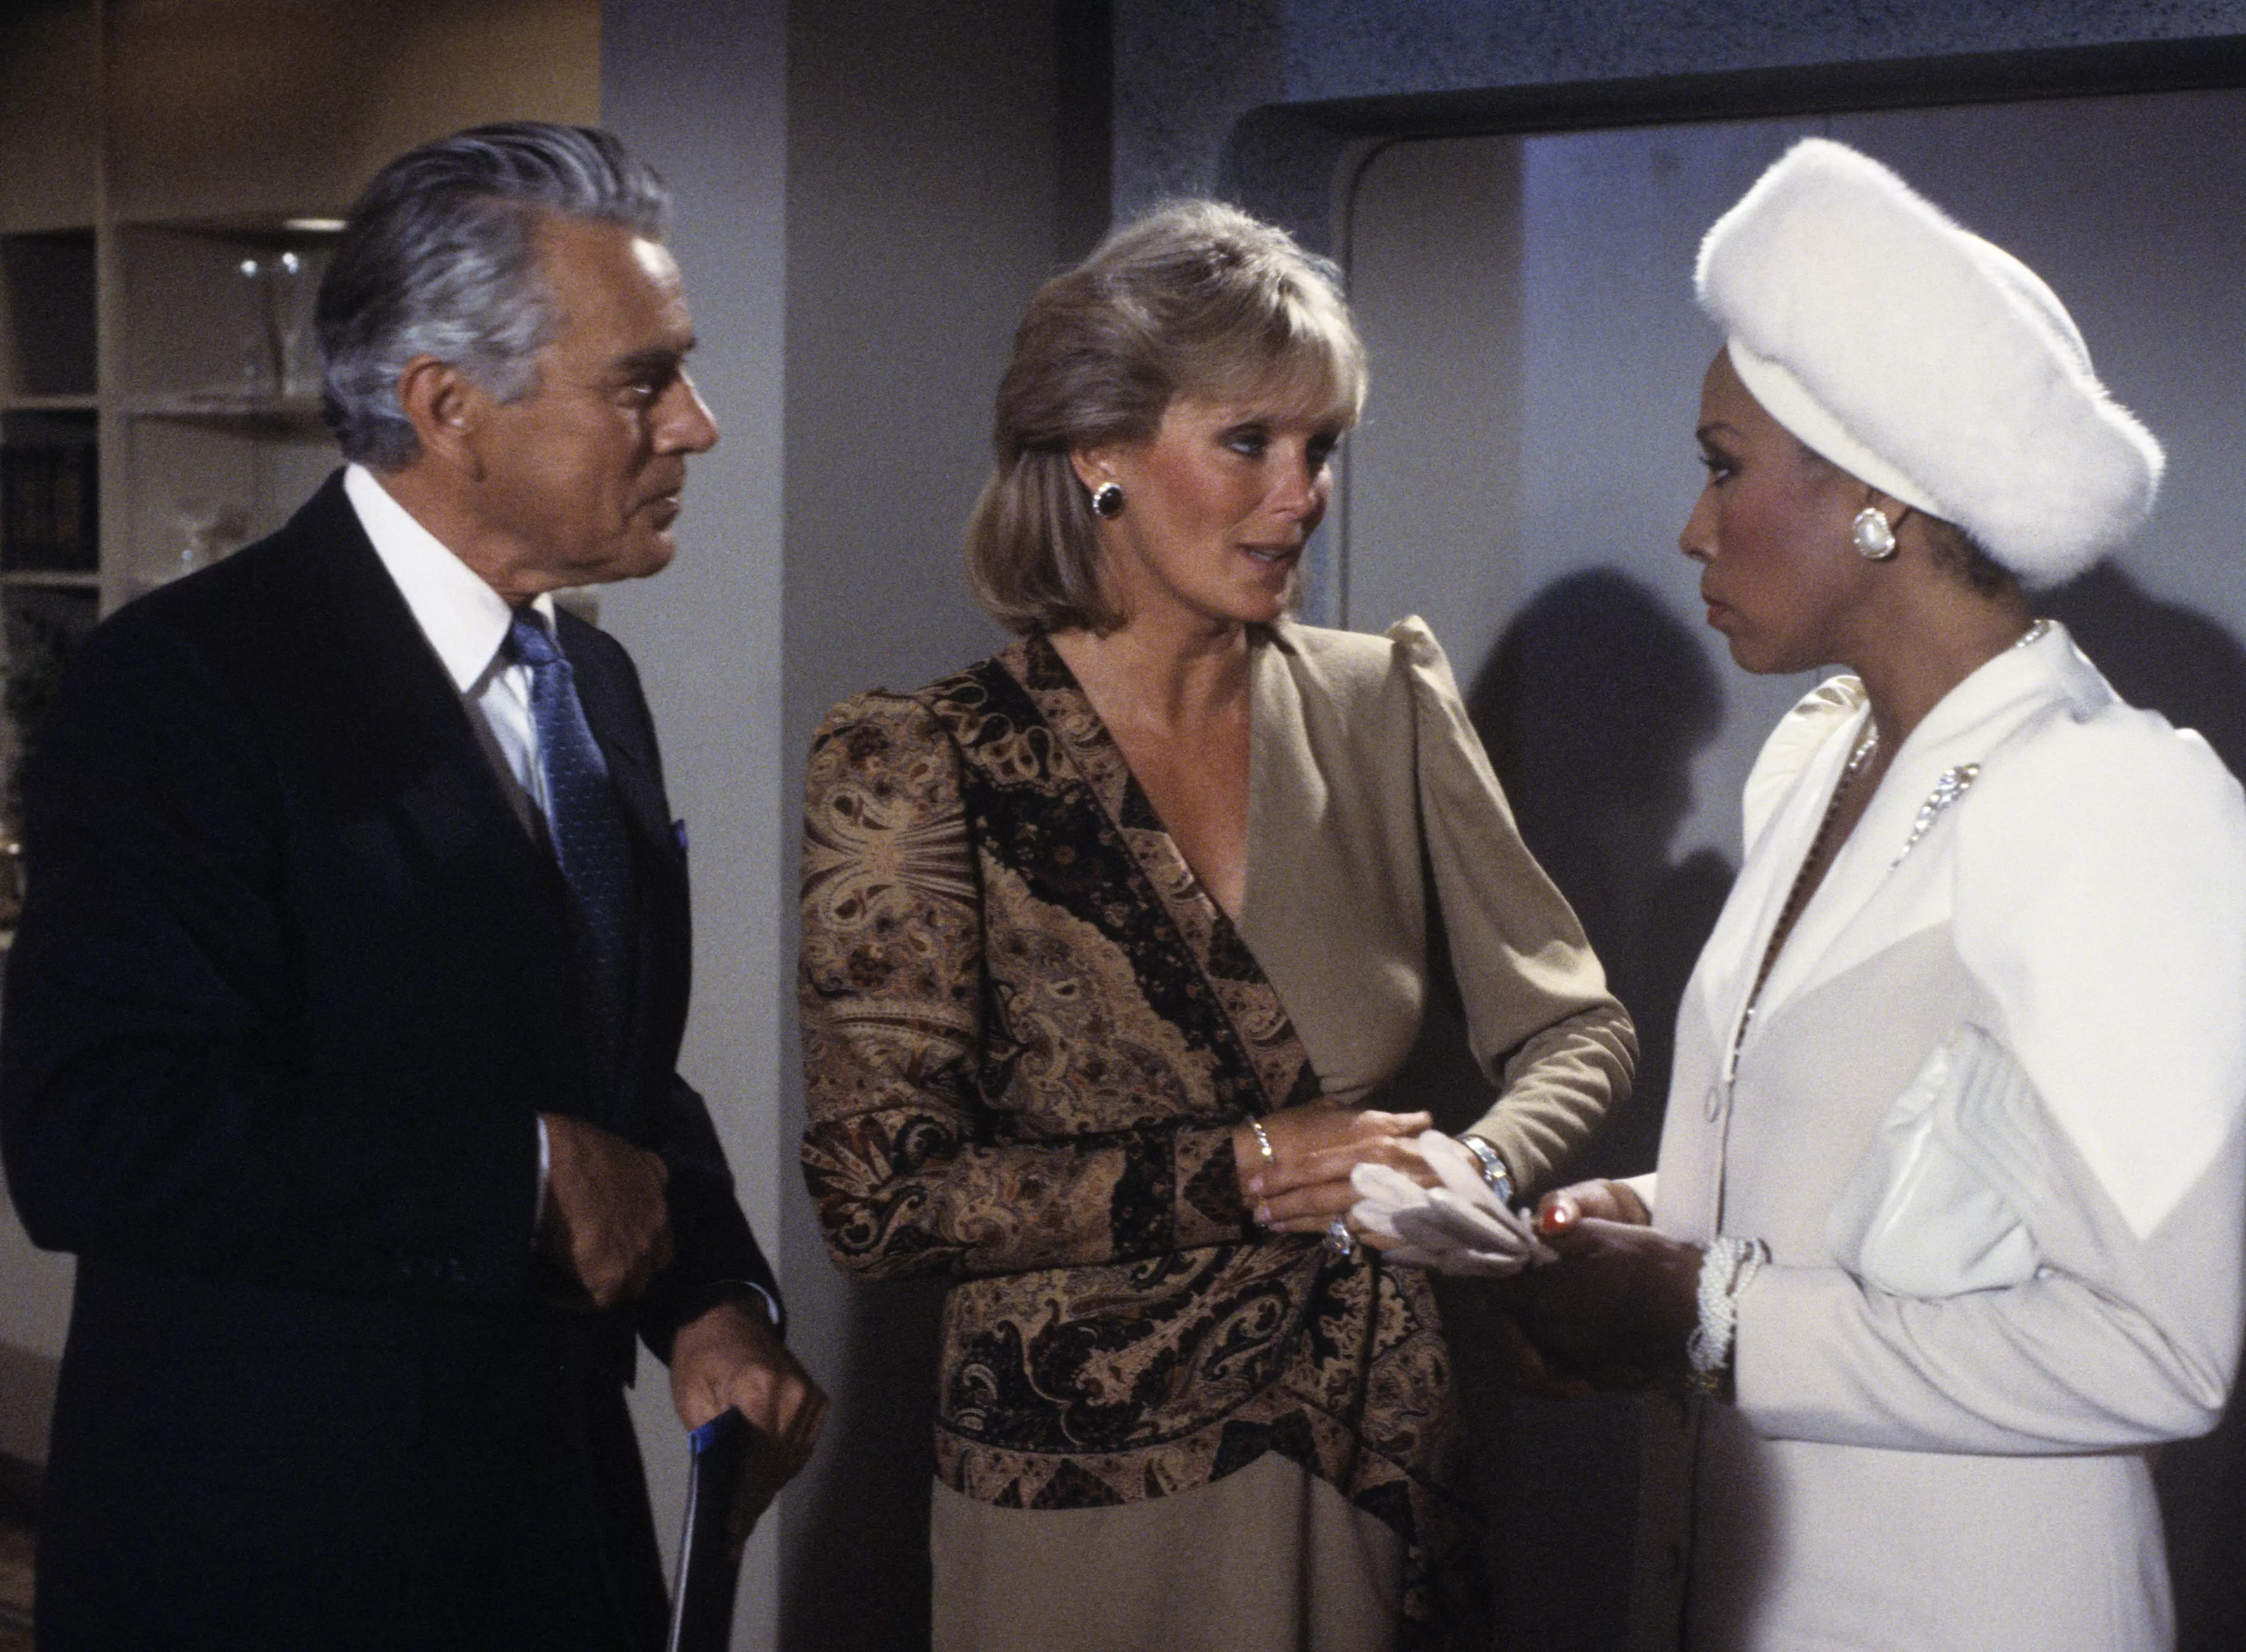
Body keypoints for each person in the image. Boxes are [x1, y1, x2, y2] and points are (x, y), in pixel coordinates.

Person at [0, 123, 824, 1650]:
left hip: (556, 1543)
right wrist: (512, 1180)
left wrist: (709, 1292)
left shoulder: (598, 685)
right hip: (273, 1561)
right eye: (643, 382)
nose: (697, 426)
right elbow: (90, 1126)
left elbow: (606, 1076)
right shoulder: (183, 687)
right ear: (450, 407)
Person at [798, 200, 1637, 1651]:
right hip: (1075, 1508)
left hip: (1368, 1460)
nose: (1300, 493)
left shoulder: (1383, 703)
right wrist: (1249, 1169)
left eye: (1320, 449)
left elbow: (1577, 1027)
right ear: (1098, 455)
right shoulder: (919, 761)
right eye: (1248, 443)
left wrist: (1463, 1167)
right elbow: (882, 1197)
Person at [1488, 139, 2246, 1650]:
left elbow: (2157, 1349)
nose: (1689, 527)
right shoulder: (1814, 759)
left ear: (1876, 500)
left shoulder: (2116, 801)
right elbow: (1873, 1191)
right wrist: (1631, 1222)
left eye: (1721, 467)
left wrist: (1701, 1311)